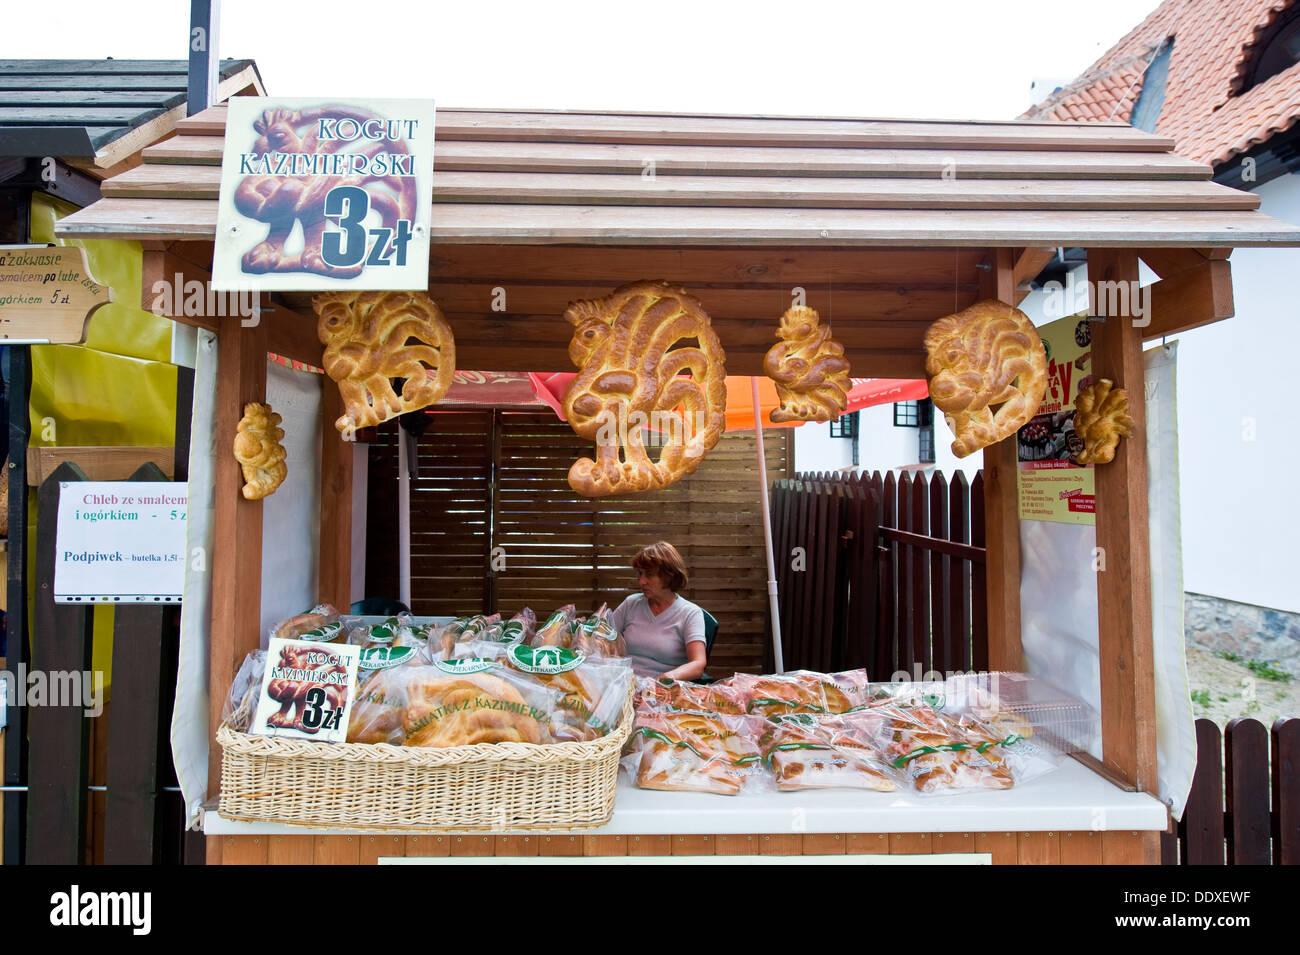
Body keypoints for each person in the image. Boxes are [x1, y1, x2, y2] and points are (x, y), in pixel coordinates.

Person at [609, 542, 707, 680]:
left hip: (660, 691)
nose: (641, 581)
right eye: (640, 574)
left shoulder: (690, 613)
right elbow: (601, 638)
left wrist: (666, 678)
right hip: (622, 683)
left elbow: (698, 664)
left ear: (669, 576)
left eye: (649, 575)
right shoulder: (631, 603)